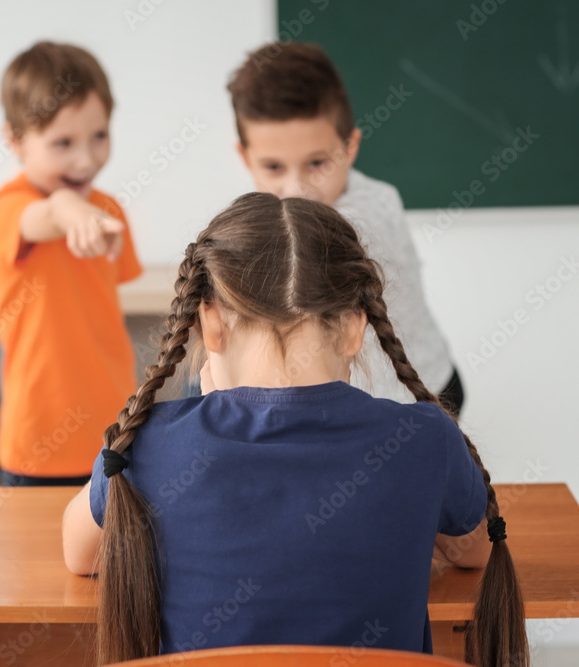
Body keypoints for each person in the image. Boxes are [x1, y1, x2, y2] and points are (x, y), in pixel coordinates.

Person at [62, 193, 527, 665]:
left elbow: (79, 554)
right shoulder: (424, 439)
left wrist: (203, 410)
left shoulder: (148, 445)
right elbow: (475, 552)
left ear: (211, 323)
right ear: (353, 328)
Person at [227, 42, 464, 415]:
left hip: (415, 394)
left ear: (350, 146)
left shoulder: (366, 213)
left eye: (316, 163)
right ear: (245, 157)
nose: (296, 189)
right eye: (273, 167)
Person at [0, 42, 142, 486]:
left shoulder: (109, 208)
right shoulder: (7, 206)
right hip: (36, 441)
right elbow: (44, 217)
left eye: (99, 135)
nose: (86, 159)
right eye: (62, 143)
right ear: (15, 141)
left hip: (113, 431)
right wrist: (68, 206)